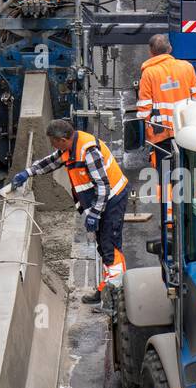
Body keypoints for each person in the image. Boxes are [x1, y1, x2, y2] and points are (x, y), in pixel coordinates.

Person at [11, 119, 128, 302]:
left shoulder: (88, 151)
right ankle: (111, 287)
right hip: (104, 199)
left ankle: (114, 293)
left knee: (109, 244)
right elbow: (50, 162)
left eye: (53, 142)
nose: (52, 145)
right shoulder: (69, 148)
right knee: (105, 245)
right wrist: (28, 172)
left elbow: (103, 186)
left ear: (63, 139)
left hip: (112, 198)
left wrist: (95, 214)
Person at [136, 34, 196, 180]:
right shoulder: (187, 67)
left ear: (151, 52)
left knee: (166, 178)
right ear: (170, 49)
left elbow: (144, 108)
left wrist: (142, 134)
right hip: (186, 130)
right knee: (192, 174)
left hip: (162, 135)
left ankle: (168, 201)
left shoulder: (149, 73)